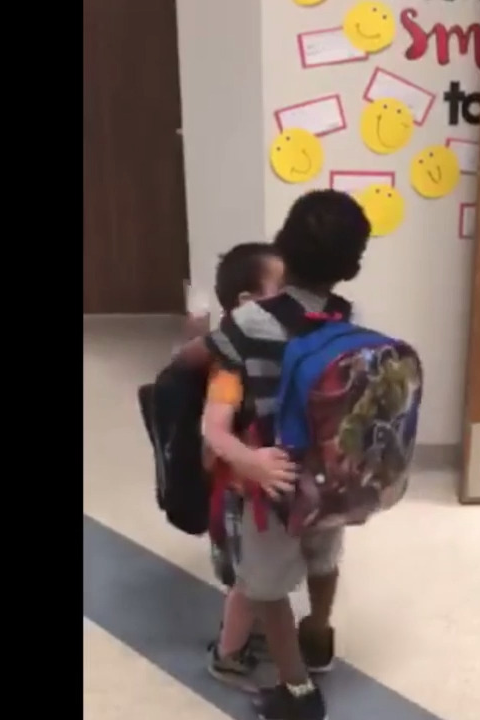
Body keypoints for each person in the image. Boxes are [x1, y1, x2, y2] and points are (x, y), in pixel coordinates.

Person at [203, 189, 370, 720]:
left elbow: (215, 426)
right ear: (352, 265)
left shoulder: (244, 325)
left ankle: (296, 690)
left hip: (270, 483)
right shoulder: (350, 316)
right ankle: (318, 635)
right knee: (324, 558)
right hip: (334, 475)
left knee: (267, 587)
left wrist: (249, 462)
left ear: (284, 248)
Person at [194, 242, 285, 691]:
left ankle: (258, 636)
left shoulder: (269, 352)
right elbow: (214, 430)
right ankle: (228, 656)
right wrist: (253, 464)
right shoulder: (229, 369)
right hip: (237, 493)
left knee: (266, 575)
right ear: (249, 306)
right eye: (282, 289)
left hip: (262, 494)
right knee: (248, 581)